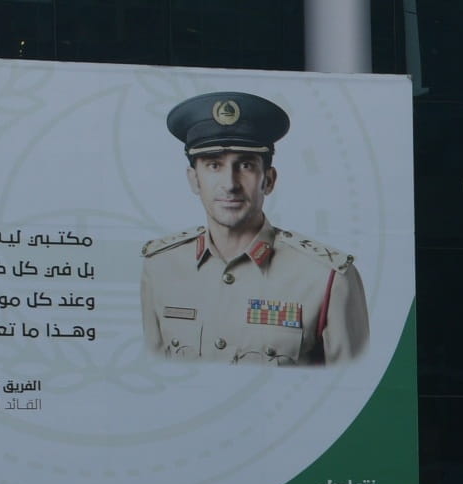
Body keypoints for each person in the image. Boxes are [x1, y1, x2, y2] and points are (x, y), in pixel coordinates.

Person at [141, 90, 369, 365]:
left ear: (268, 180)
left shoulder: (326, 278)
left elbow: (354, 391)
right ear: (193, 180)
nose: (230, 183)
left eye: (246, 165)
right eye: (214, 165)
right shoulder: (161, 268)